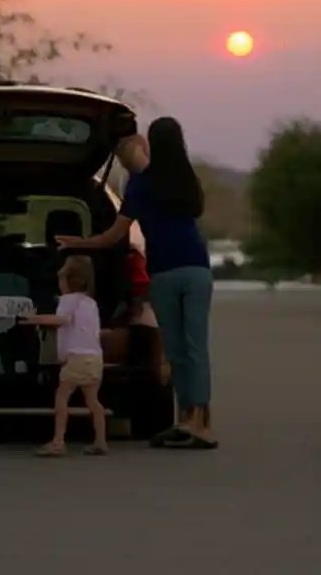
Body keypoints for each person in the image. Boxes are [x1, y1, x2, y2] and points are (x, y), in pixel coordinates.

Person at [57, 118, 217, 449]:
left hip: (165, 273)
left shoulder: (142, 184)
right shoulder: (187, 180)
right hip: (198, 269)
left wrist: (80, 243)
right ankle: (197, 422)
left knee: (176, 349)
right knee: (194, 347)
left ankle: (192, 422)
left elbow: (115, 236)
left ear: (152, 144)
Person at [22, 256, 107, 457]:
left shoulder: (68, 300)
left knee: (62, 397)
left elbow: (62, 320)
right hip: (95, 357)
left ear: (68, 281)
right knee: (93, 400)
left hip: (76, 358)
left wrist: (34, 319)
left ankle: (58, 440)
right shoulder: (91, 303)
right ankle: (101, 440)